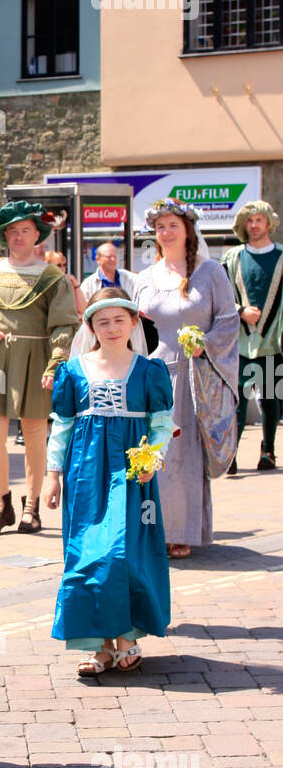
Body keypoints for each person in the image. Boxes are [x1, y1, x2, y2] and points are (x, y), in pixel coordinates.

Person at [44, 289, 175, 677]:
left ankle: (126, 635)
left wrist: (153, 459)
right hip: (85, 475)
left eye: (120, 319)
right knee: (87, 555)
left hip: (133, 475)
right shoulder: (73, 371)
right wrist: (52, 474)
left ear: (133, 322)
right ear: (91, 327)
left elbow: (162, 424)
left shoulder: (150, 371)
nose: (112, 328)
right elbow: (62, 427)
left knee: (124, 554)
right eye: (103, 321)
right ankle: (98, 644)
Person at [0, 199, 80, 536]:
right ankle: (2, 503)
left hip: (36, 357)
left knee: (36, 433)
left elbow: (64, 325)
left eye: (25, 230)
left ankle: (32, 506)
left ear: (36, 234)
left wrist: (56, 361)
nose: (19, 236)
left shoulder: (52, 277)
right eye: (13, 231)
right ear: (5, 235)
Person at [134, 198, 239, 559]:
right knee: (155, 453)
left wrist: (204, 344)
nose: (165, 232)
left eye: (172, 226)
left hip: (195, 376)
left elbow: (228, 320)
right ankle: (153, 528)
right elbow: (135, 327)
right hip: (155, 376)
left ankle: (182, 532)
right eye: (160, 227)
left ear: (188, 230)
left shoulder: (210, 273)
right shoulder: (145, 278)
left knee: (185, 456)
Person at [222, 200, 283, 473]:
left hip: (273, 343)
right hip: (240, 343)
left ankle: (268, 450)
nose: (254, 225)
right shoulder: (232, 258)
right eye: (249, 220)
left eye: (259, 220)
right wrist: (240, 310)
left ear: (268, 223)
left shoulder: (281, 256)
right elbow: (220, 296)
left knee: (271, 399)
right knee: (236, 401)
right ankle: (231, 455)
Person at [46, 249, 87, 317]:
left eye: (64, 265)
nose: (63, 268)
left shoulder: (69, 282)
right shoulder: (44, 285)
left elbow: (83, 310)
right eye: (58, 265)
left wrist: (76, 285)